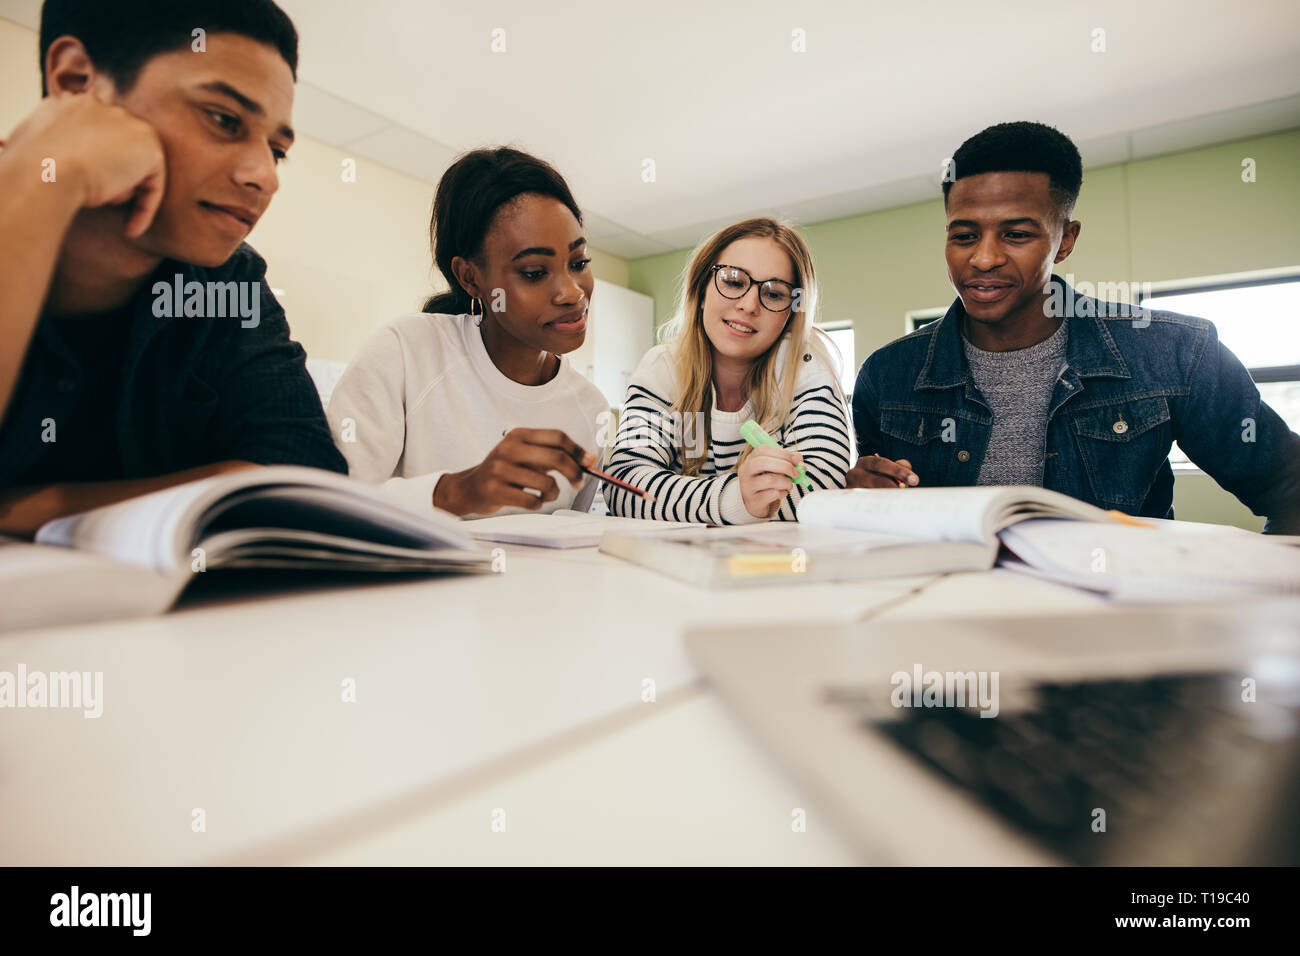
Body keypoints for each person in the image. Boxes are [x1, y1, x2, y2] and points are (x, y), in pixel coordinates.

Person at [848, 121, 1300, 533]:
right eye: (964, 235)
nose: (983, 258)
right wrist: (860, 502)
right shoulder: (888, 375)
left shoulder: (1176, 352)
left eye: (1016, 234)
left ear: (1065, 239)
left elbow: (1290, 491)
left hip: (1116, 616)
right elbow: (883, 521)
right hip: (943, 615)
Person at [0, 0, 344, 538]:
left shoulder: (229, 284)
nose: (265, 177)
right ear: (75, 80)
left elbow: (303, 477)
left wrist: (17, 510)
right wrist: (45, 178)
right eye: (224, 120)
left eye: (277, 150)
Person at [326, 147, 608, 517]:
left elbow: (574, 539)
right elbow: (328, 505)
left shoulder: (591, 409)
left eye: (579, 262)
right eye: (535, 272)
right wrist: (456, 492)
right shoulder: (404, 353)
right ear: (471, 278)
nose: (572, 292)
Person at [604, 217, 851, 523]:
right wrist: (737, 500)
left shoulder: (806, 366)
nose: (749, 305)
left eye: (774, 294)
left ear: (790, 313)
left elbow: (822, 488)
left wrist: (686, 501)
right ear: (702, 290)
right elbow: (625, 487)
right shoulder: (663, 369)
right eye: (734, 281)